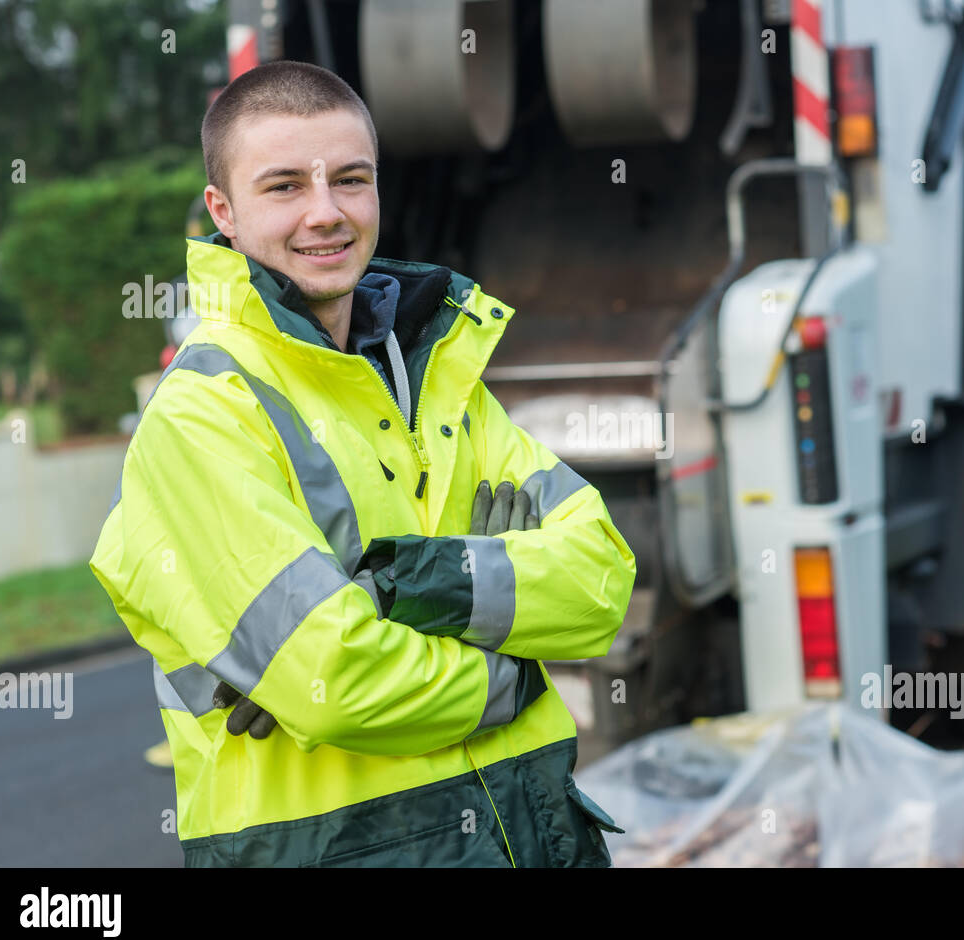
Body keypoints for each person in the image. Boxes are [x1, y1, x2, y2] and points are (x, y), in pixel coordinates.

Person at [90, 60, 636, 867]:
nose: (326, 213)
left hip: (531, 830)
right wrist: (513, 670)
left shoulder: (434, 378)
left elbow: (600, 580)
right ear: (223, 211)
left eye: (351, 178)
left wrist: (400, 586)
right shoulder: (205, 413)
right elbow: (337, 681)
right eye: (283, 187)